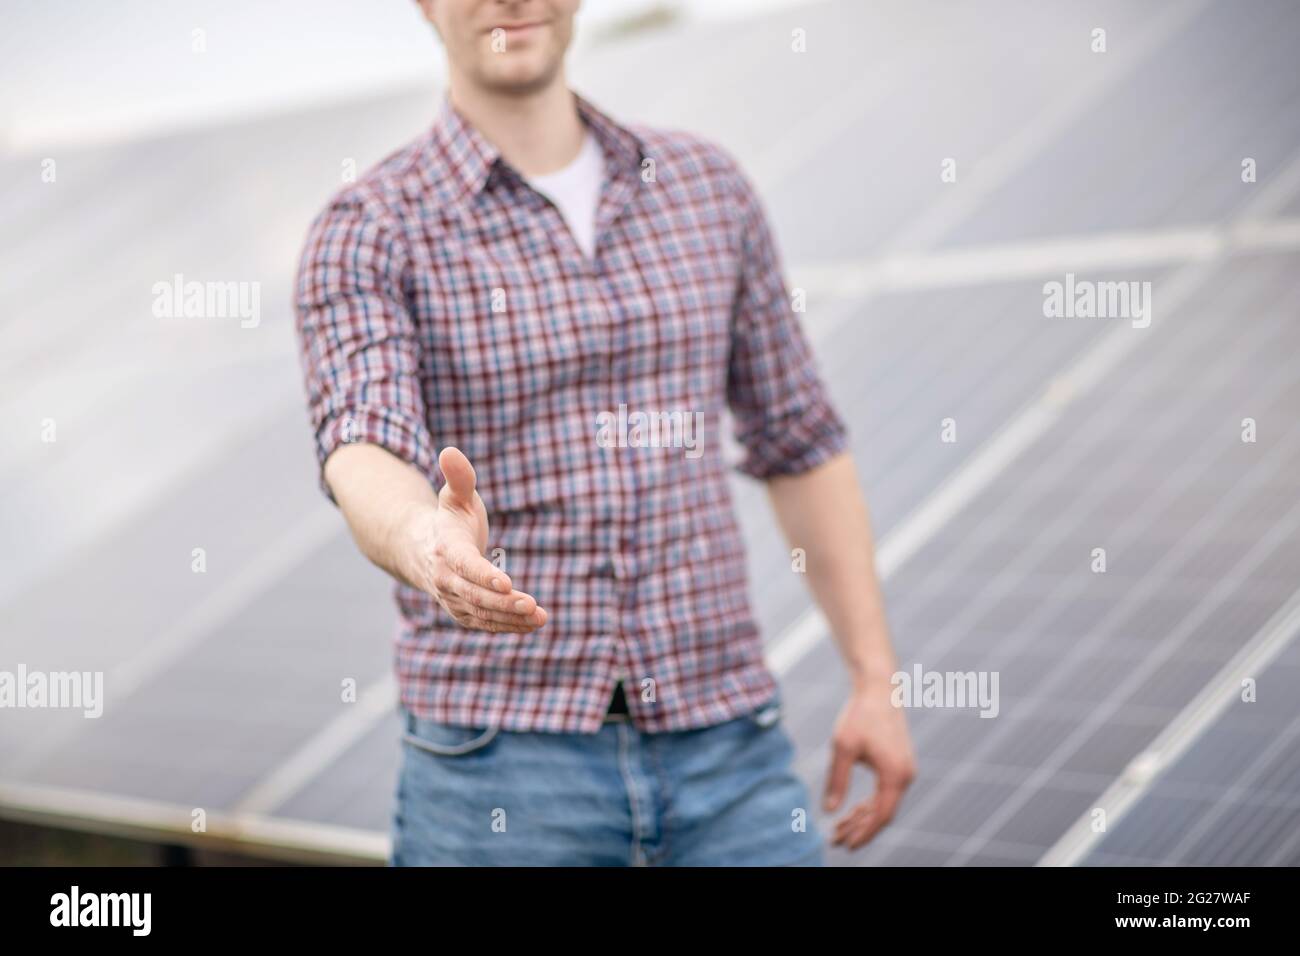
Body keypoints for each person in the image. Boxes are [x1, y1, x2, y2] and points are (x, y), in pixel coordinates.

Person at [293, 0, 914, 866]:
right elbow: (362, 443)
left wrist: (874, 681)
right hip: (494, 773)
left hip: (731, 749)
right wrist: (426, 540)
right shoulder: (366, 230)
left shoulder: (706, 187)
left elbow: (799, 440)